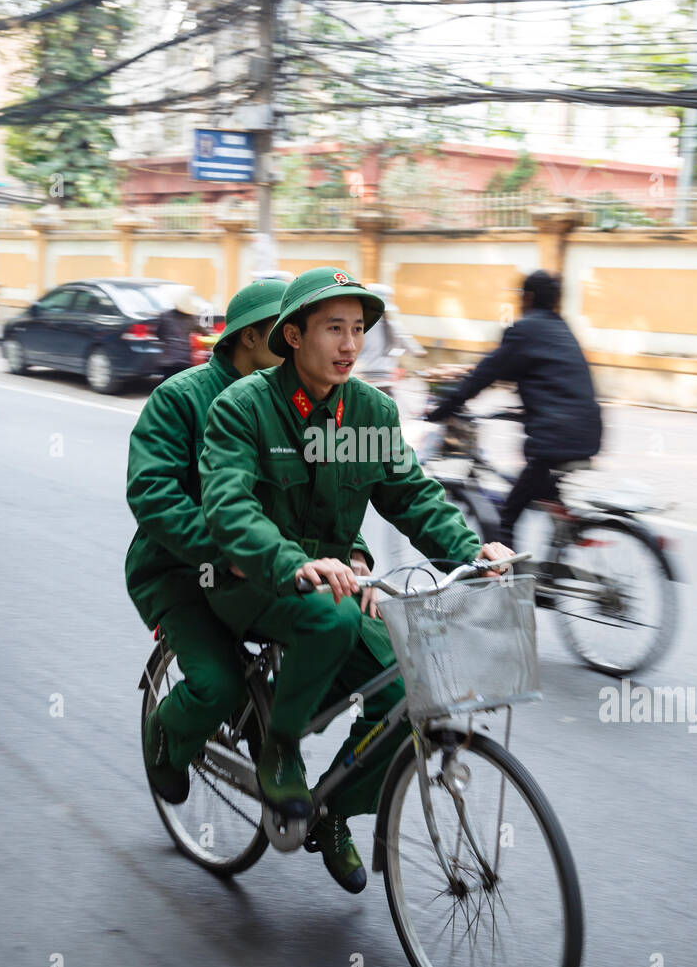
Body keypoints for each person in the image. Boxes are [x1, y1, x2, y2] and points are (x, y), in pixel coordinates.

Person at [198, 267, 511, 895]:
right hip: (252, 582)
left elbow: (413, 495)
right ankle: (279, 748)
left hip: (338, 583)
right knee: (334, 617)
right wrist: (291, 561)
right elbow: (229, 508)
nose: (350, 344)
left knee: (415, 685)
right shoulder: (244, 407)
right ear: (292, 336)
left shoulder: (370, 411)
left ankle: (333, 809)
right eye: (334, 328)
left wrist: (471, 550)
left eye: (359, 329)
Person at [126, 278, 289, 803]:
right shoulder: (180, 397)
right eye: (284, 337)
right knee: (217, 685)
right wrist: (226, 550)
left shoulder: (286, 403)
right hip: (179, 572)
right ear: (248, 338)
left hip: (261, 569)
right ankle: (164, 735)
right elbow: (152, 495)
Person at [426, 269, 602, 547]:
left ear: (528, 297)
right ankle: (552, 574)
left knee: (505, 520)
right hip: (587, 434)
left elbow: (485, 374)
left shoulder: (524, 330)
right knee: (546, 500)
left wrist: (442, 409)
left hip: (554, 441)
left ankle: (511, 582)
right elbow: (532, 373)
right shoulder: (560, 328)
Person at [352, 282, 424, 394]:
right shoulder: (394, 325)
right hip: (385, 380)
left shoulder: (361, 325)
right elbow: (415, 349)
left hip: (363, 378)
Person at [155, 286, 206, 380]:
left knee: (167, 385)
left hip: (169, 360)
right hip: (186, 360)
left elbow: (159, 334)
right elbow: (204, 333)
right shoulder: (192, 318)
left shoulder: (165, 315)